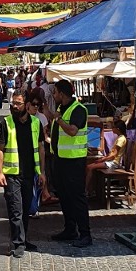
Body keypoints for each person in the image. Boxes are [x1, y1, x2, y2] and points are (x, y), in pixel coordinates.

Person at [0, 91, 48, 258]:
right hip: (12, 175)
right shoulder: (6, 123)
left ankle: (23, 240)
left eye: (18, 103)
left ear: (26, 105)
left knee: (26, 210)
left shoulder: (35, 123)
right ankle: (17, 243)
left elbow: (40, 148)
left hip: (29, 173)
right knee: (15, 209)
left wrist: (42, 172)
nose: (14, 106)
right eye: (13, 103)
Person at [50, 78, 92, 248]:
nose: (53, 95)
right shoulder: (61, 108)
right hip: (60, 159)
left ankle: (85, 234)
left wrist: (58, 120)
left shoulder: (78, 109)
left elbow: (73, 131)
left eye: (55, 92)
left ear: (62, 93)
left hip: (74, 161)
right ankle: (70, 229)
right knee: (64, 196)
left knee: (77, 197)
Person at [86, 117, 127, 195]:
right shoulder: (119, 138)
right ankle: (94, 190)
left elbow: (113, 155)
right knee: (92, 167)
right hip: (111, 161)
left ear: (118, 129)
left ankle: (87, 190)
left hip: (114, 163)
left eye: (113, 127)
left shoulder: (121, 139)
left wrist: (102, 159)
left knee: (89, 167)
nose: (112, 129)